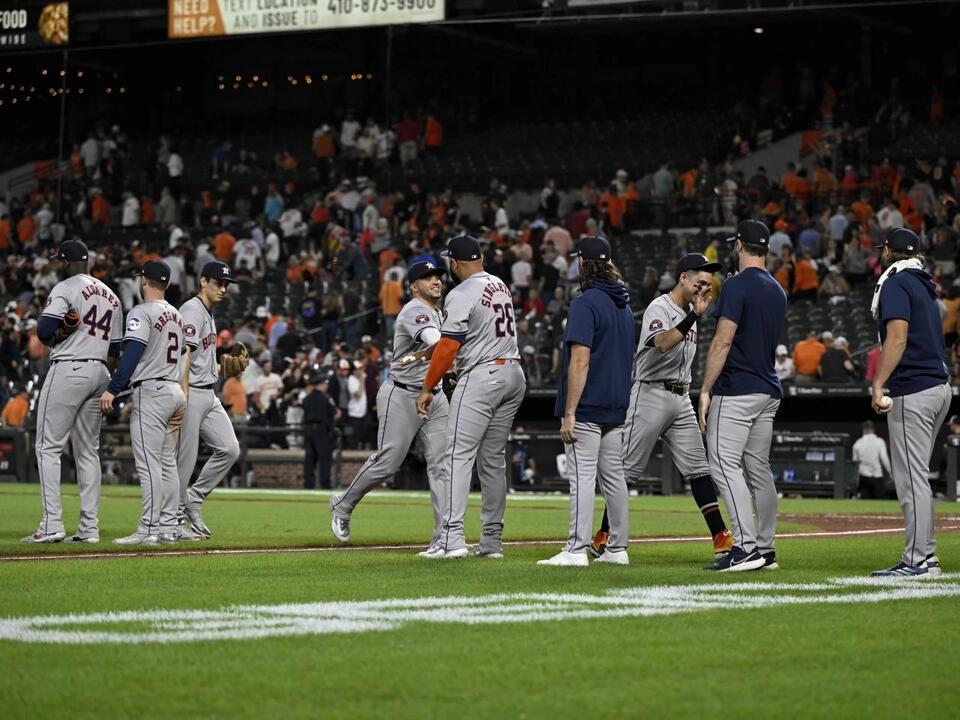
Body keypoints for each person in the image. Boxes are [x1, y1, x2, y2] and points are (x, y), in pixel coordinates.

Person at [589, 253, 734, 562]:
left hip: (681, 397)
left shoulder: (689, 309)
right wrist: (694, 315)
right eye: (699, 282)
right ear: (682, 277)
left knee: (698, 468)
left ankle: (721, 536)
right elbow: (663, 343)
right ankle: (605, 535)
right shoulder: (661, 307)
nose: (703, 289)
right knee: (626, 471)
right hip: (650, 393)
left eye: (707, 285)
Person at [416, 235, 526, 559]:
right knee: (492, 461)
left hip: (484, 377)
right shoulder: (500, 284)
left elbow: (449, 345)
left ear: (454, 262)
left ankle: (451, 540)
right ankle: (492, 542)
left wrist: (427, 387)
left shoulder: (461, 292)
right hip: (514, 374)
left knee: (456, 455)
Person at [330, 261, 451, 550]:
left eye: (437, 276)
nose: (435, 281)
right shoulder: (414, 311)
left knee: (443, 465)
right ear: (413, 286)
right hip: (403, 394)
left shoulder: (439, 312)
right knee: (388, 463)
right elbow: (437, 343)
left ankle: (445, 537)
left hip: (434, 395)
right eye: (427, 278)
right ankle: (343, 505)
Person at [538, 236, 634, 567]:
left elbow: (580, 360)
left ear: (582, 263)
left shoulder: (585, 303)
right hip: (616, 404)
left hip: (589, 405)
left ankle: (576, 549)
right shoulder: (623, 303)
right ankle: (618, 548)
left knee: (582, 478)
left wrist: (569, 412)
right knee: (614, 479)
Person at [698, 219, 787, 572]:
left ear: (738, 245)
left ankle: (747, 548)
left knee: (723, 463)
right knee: (758, 469)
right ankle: (765, 550)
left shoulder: (736, 286)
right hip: (768, 389)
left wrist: (705, 389)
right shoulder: (777, 289)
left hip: (738, 389)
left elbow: (723, 340)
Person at [21, 240, 123, 545]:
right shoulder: (112, 296)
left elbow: (43, 332)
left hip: (69, 368)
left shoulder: (65, 288)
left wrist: (62, 335)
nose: (58, 266)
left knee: (47, 447)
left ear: (65, 262)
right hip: (100, 373)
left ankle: (52, 524)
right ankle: (89, 529)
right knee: (88, 452)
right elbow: (115, 351)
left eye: (59, 262)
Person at [869, 227, 950, 577]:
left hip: (913, 389)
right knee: (918, 477)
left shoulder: (896, 282)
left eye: (884, 249)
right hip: (938, 388)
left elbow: (897, 338)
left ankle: (917, 559)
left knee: (910, 479)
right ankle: (926, 556)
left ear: (889, 251)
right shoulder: (922, 283)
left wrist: (878, 383)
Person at [99, 261, 187, 546]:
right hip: (174, 390)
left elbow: (132, 354)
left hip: (153, 392)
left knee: (149, 464)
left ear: (144, 281)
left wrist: (113, 388)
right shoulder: (176, 314)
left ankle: (148, 529)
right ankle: (168, 527)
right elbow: (183, 354)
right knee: (166, 464)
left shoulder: (140, 312)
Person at [176, 261, 245, 540]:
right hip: (191, 392)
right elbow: (184, 354)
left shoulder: (207, 312)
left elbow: (204, 361)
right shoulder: (192, 309)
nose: (223, 288)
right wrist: (182, 395)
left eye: (226, 284)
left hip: (208, 392)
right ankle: (174, 520)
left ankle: (195, 498)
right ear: (203, 281)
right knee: (184, 461)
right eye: (218, 283)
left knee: (229, 449)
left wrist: (225, 368)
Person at [303, 375, 339, 489]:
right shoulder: (326, 399)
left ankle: (308, 483)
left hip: (308, 430)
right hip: (322, 430)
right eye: (325, 384)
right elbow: (334, 414)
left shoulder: (306, 399)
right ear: (321, 385)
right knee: (324, 458)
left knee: (310, 458)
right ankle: (325, 483)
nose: (327, 387)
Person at [852, 421, 891, 499]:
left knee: (865, 501)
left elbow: (855, 462)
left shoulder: (858, 443)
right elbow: (884, 458)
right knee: (881, 501)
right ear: (873, 430)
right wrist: (890, 472)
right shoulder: (879, 441)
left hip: (863, 477)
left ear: (864, 430)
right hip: (876, 475)